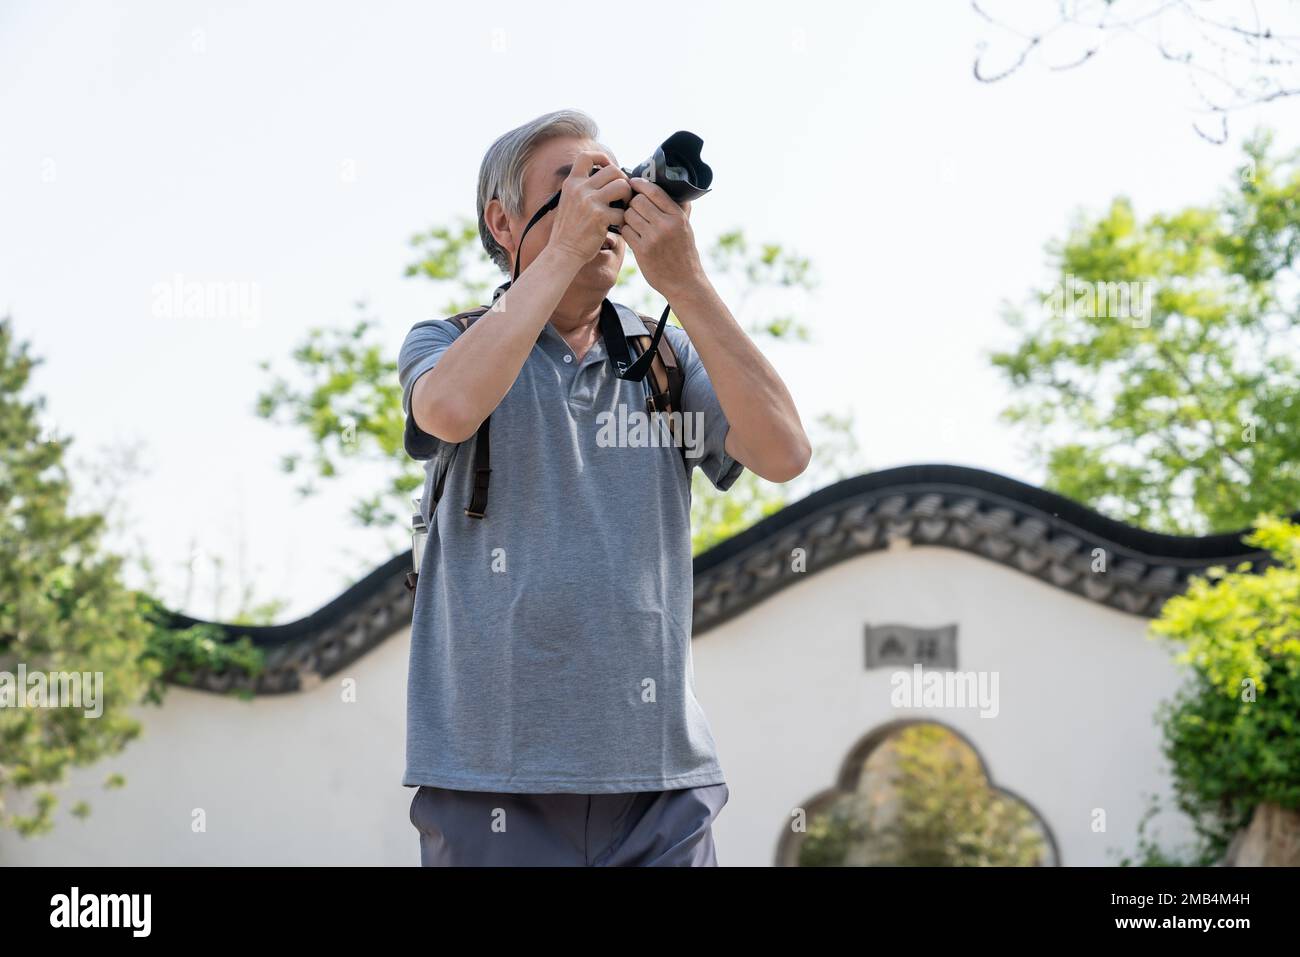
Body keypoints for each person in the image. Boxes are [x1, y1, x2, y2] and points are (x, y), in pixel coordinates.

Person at [398, 109, 810, 866]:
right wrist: (556, 258)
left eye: (614, 182)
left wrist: (684, 281)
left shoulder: (665, 356)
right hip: (492, 778)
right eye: (573, 183)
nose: (605, 201)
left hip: (660, 782)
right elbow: (449, 409)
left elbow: (784, 451)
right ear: (502, 218)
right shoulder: (449, 341)